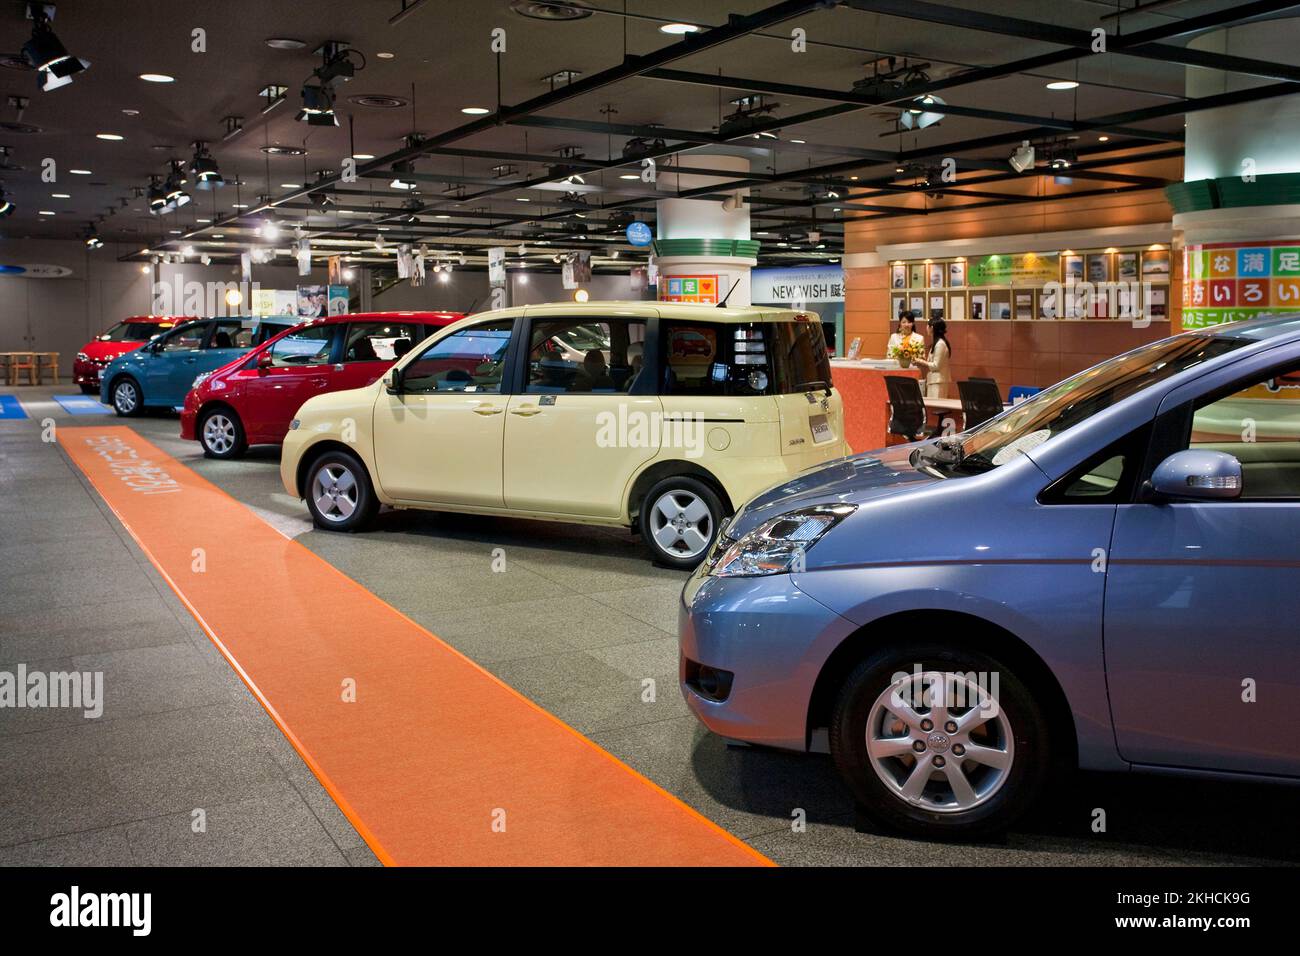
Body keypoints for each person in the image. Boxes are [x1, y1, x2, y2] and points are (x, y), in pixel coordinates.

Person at [914, 318, 952, 399]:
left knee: (937, 405)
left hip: (938, 381)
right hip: (934, 380)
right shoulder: (936, 343)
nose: (926, 328)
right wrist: (921, 361)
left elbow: (936, 366)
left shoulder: (940, 344)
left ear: (932, 328)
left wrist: (921, 361)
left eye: (927, 326)